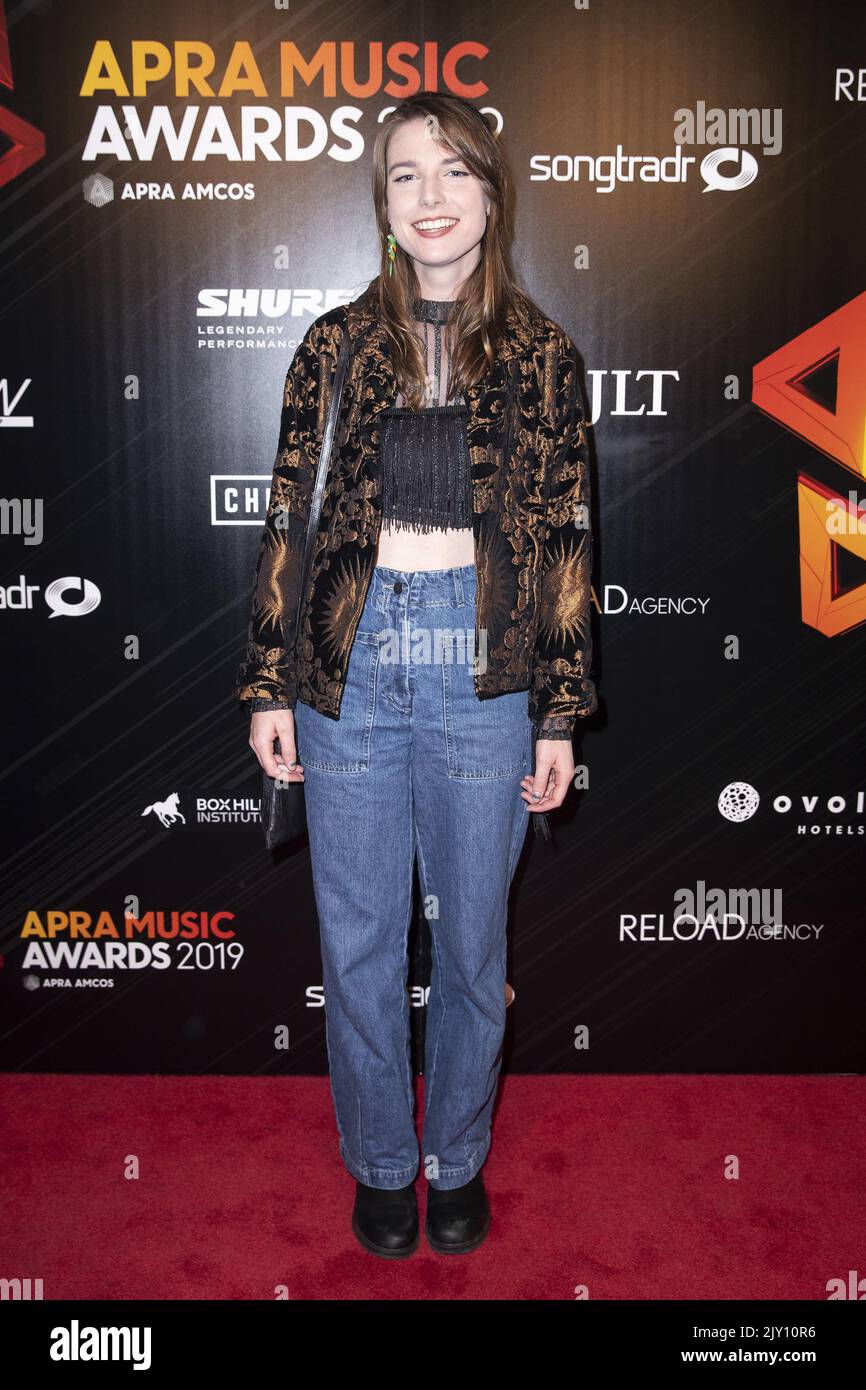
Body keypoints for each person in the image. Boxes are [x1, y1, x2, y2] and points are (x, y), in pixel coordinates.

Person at [234, 92, 598, 1258]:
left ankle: (461, 1160)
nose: (430, 196)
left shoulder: (543, 354)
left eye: (453, 172)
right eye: (403, 176)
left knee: (474, 946)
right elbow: (288, 517)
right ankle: (383, 1163)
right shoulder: (333, 346)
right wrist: (266, 682)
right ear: (382, 206)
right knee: (356, 937)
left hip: (486, 664)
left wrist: (558, 711)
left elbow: (563, 543)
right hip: (357, 653)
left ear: (490, 193)